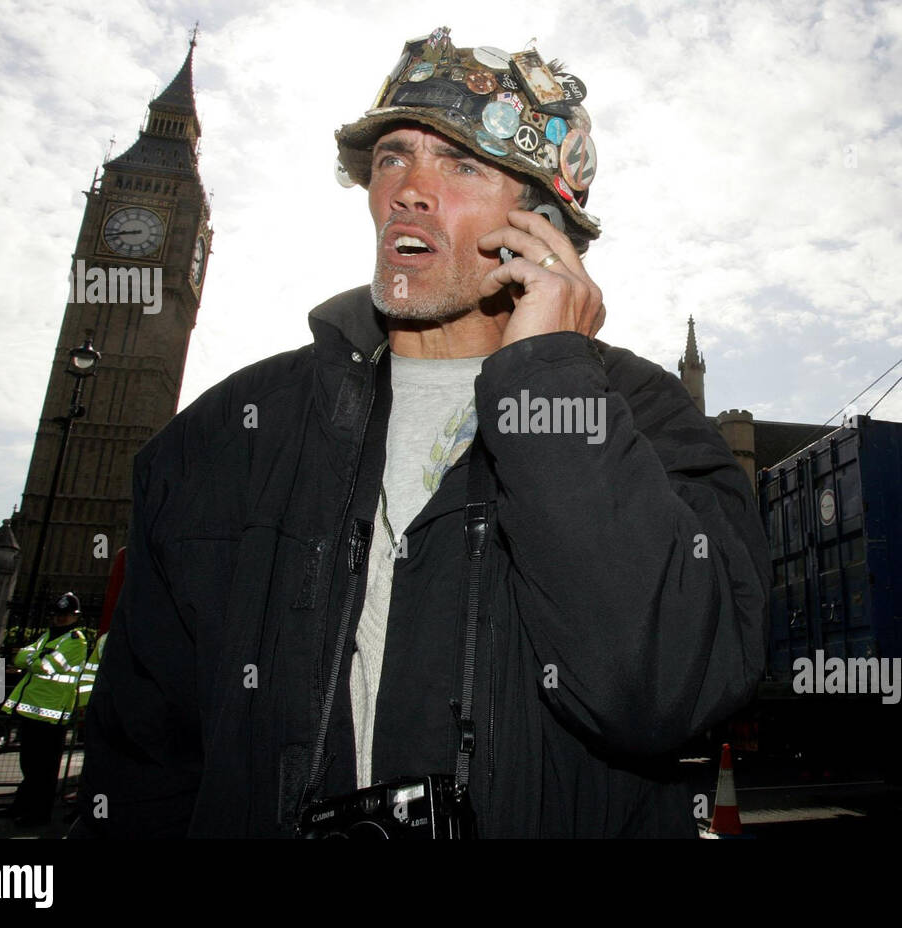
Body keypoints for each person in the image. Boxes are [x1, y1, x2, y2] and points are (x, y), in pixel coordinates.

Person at [74, 26, 769, 838]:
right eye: (393, 156)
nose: (408, 187)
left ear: (542, 223)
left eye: (463, 164)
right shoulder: (219, 438)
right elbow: (141, 771)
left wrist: (549, 375)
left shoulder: (646, 420)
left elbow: (663, 690)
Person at [0, 592, 89, 827]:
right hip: (30, 710)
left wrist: (33, 659)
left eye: (66, 615)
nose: (61, 618)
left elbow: (46, 667)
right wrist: (34, 658)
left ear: (75, 617)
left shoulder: (76, 641)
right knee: (29, 764)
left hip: (52, 714)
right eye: (58, 614)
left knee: (44, 769)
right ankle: (22, 805)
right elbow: (19, 657)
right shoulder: (47, 636)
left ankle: (39, 814)